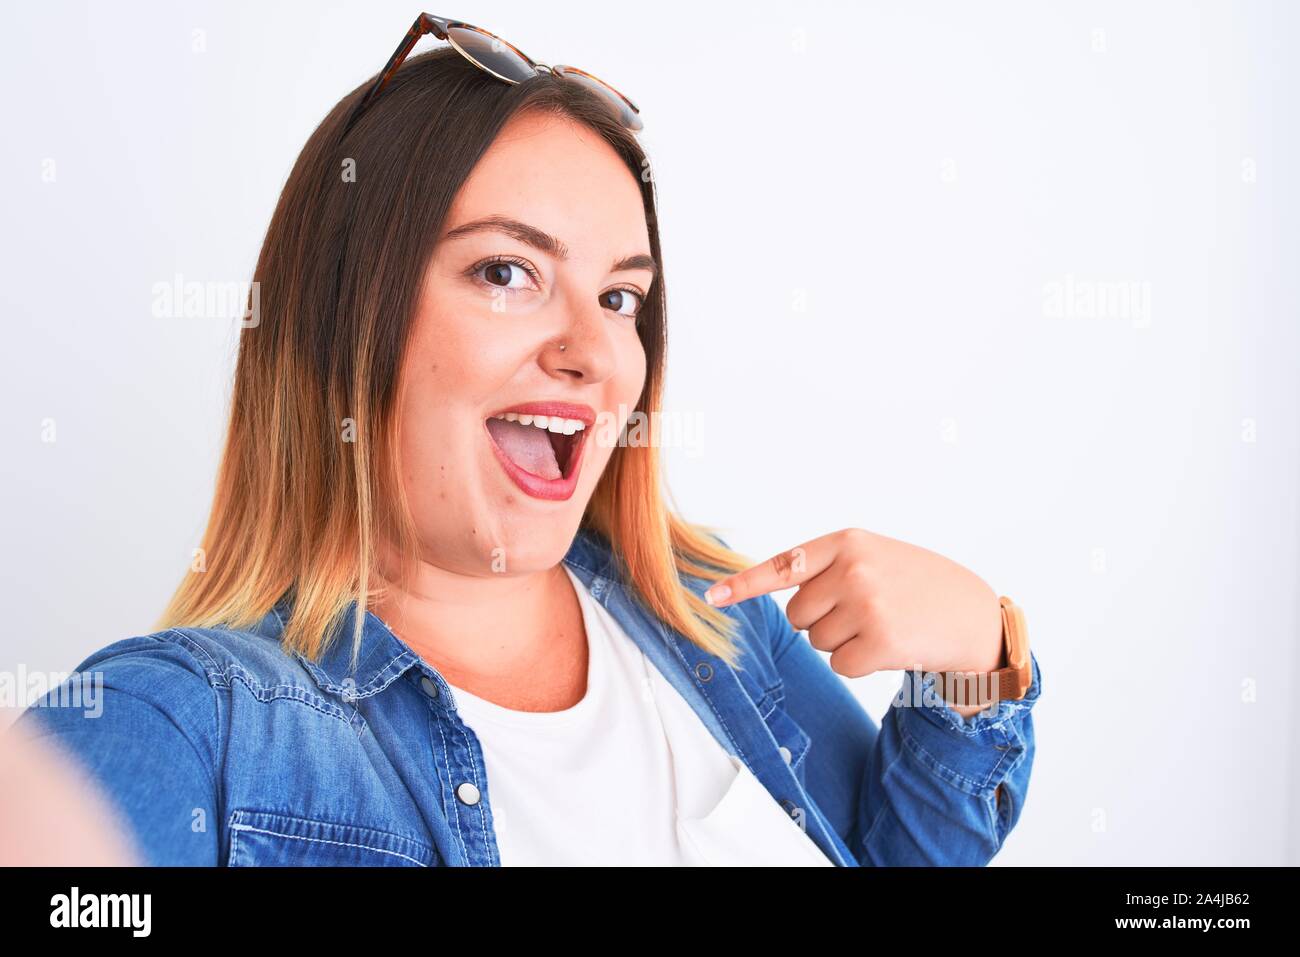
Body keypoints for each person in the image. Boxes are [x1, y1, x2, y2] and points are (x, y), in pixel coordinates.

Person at [9, 20, 1041, 866]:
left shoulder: (707, 616)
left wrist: (972, 660)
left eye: (621, 296)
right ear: (347, 316)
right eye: (507, 272)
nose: (594, 352)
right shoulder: (203, 724)